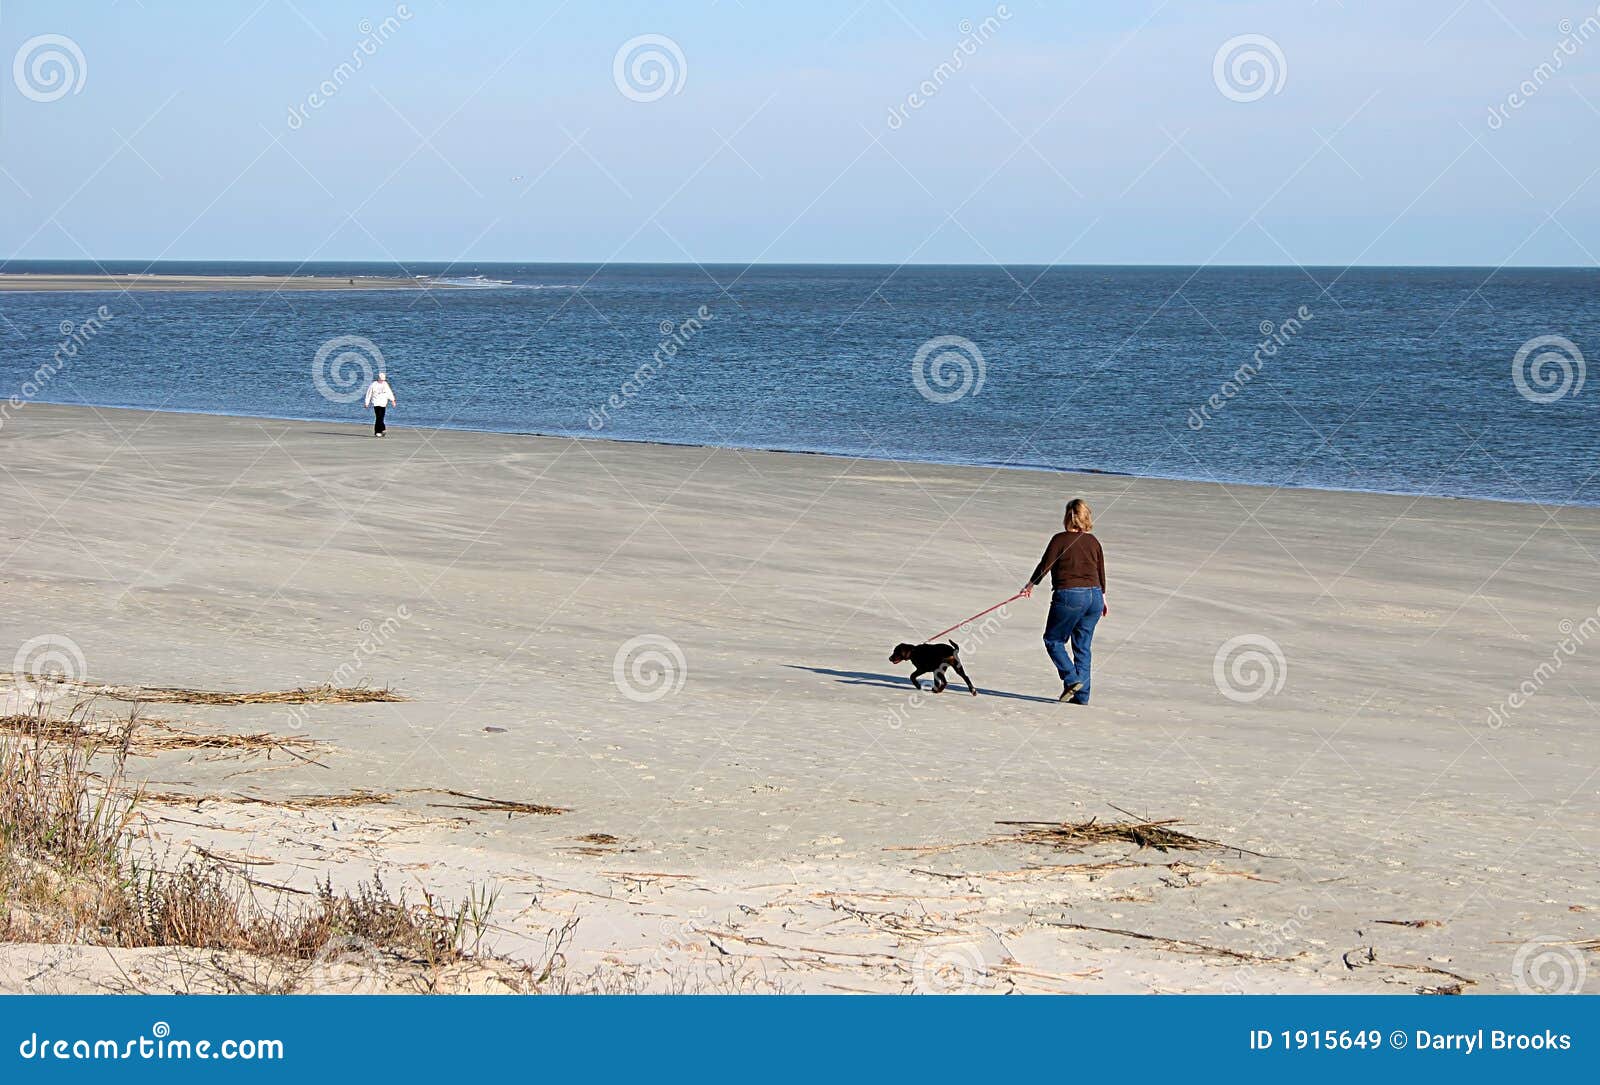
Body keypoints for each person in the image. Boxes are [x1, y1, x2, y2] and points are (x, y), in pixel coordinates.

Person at [1020, 498, 1107, 704]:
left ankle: (1072, 679)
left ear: (1068, 517)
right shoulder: (1093, 541)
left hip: (1070, 594)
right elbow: (1100, 571)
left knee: (1053, 640)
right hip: (1094, 596)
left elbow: (1045, 565)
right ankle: (1082, 697)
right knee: (1082, 647)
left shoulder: (1060, 539)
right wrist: (1103, 597)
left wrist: (1031, 584)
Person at [363, 371, 396, 437]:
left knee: (381, 417)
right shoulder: (373, 385)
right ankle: (378, 431)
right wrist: (367, 403)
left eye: (383, 380)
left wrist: (393, 400)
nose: (382, 381)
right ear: (378, 378)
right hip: (376, 402)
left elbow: (389, 392)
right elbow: (369, 394)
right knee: (379, 417)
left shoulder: (385, 384)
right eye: (381, 380)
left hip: (383, 403)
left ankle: (381, 430)